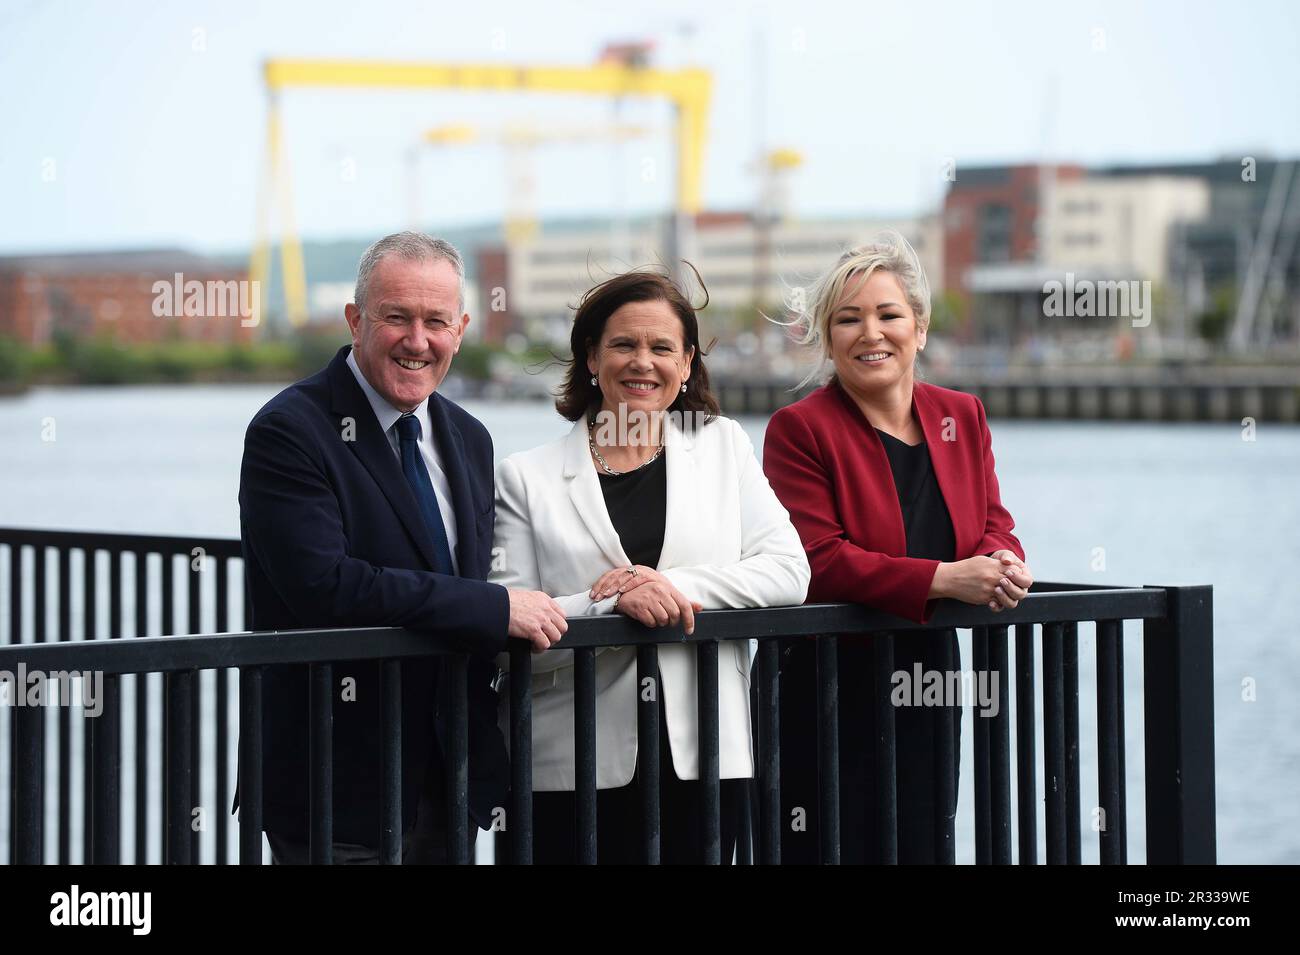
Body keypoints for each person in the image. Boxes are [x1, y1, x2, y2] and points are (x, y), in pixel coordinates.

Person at [236, 232, 566, 864]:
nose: (418, 340)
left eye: (437, 321)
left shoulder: (468, 437)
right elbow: (323, 586)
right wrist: (493, 607)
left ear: (462, 328)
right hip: (335, 785)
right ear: (356, 321)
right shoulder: (288, 430)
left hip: (449, 781)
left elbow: (472, 568)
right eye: (397, 318)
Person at [490, 267, 810, 864]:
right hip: (568, 766)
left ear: (687, 363)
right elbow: (508, 626)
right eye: (623, 345)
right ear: (591, 356)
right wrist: (606, 604)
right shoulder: (523, 477)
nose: (644, 362)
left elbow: (789, 572)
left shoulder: (724, 447)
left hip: (706, 759)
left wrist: (667, 588)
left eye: (662, 347)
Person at [762, 231, 1033, 864]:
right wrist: (944, 579)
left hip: (928, 680)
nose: (870, 332)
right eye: (848, 319)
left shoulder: (961, 415)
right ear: (828, 339)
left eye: (888, 314)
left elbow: (993, 520)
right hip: (826, 686)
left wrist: (1002, 561)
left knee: (923, 842)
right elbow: (816, 560)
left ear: (920, 326)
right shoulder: (800, 429)